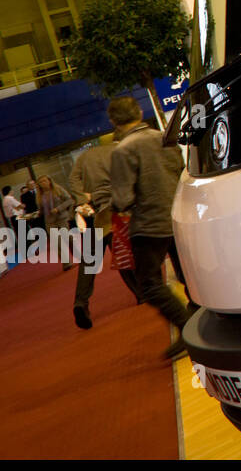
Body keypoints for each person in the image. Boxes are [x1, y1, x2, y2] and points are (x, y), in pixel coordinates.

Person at [107, 95, 194, 361]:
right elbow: (180, 170)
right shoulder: (162, 137)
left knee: (150, 284)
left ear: (113, 121)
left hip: (148, 225)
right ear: (139, 111)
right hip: (178, 215)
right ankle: (205, 322)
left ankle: (187, 328)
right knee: (189, 275)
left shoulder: (123, 150)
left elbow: (122, 198)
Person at [69, 136, 142, 329]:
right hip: (117, 208)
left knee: (89, 261)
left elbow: (73, 179)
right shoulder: (117, 152)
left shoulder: (84, 158)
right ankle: (140, 293)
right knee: (122, 251)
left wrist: (81, 200)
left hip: (97, 211)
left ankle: (80, 303)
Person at [35, 175, 77, 270]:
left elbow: (70, 200)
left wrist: (58, 209)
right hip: (49, 221)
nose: (43, 183)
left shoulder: (58, 190)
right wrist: (37, 213)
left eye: (44, 181)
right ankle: (66, 263)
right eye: (40, 182)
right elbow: (41, 209)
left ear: (49, 181)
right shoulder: (39, 196)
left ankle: (76, 253)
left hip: (61, 218)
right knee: (57, 242)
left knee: (67, 239)